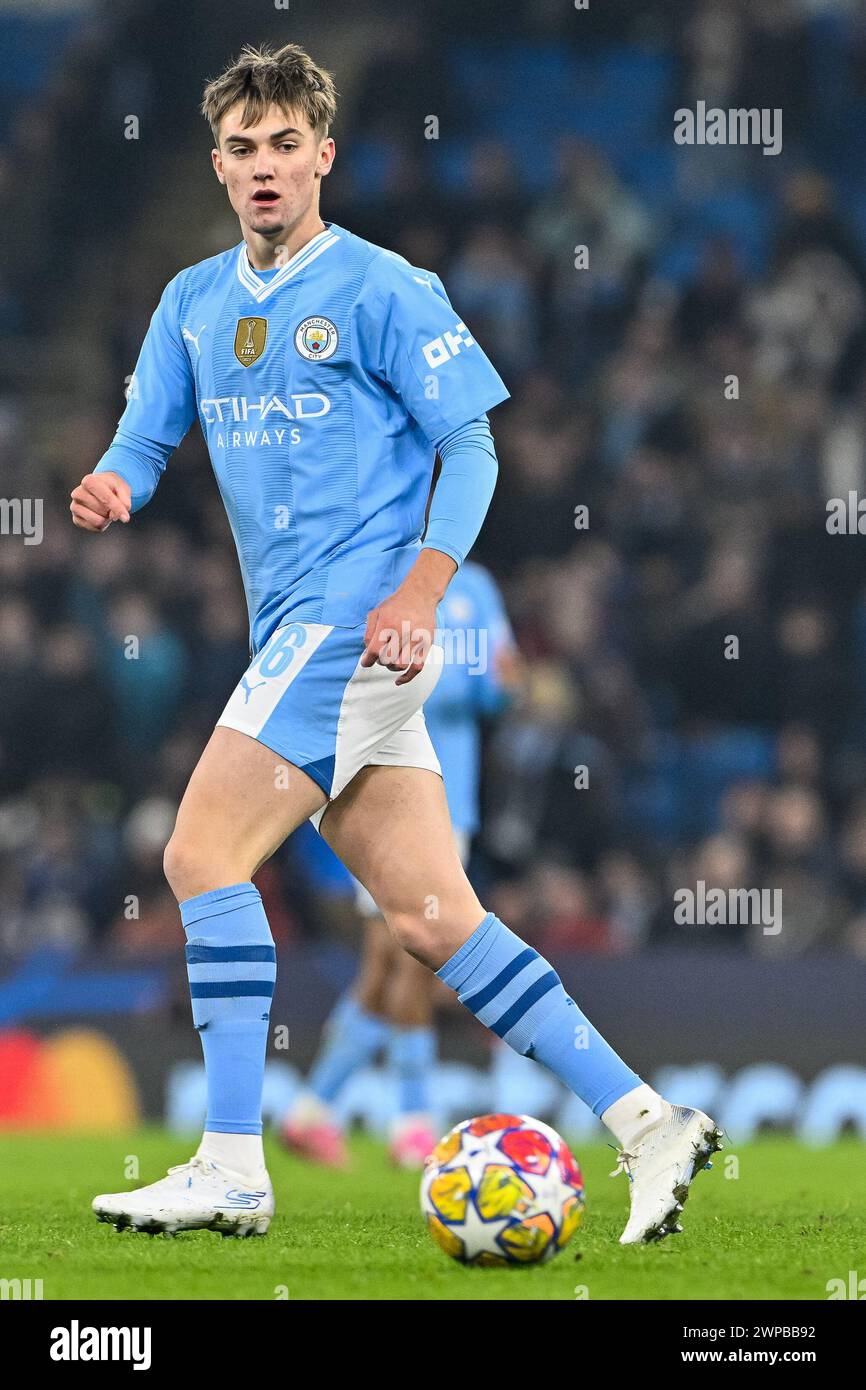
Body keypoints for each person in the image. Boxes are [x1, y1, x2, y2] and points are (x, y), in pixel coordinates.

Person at [71, 43, 720, 1246]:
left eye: (284, 146)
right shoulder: (191, 305)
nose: (264, 167)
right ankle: (646, 1120)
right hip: (305, 631)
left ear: (322, 155)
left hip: (357, 616)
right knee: (433, 920)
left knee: (201, 855)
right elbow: (144, 440)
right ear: (216, 167)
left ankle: (229, 1162)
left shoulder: (383, 287)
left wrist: (421, 588)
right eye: (242, 149)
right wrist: (113, 484)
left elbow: (470, 447)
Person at [281, 560, 519, 1169]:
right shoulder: (375, 570)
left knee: (389, 958)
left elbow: (501, 684)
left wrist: (484, 681)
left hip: (452, 797)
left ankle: (312, 1112)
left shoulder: (475, 586)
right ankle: (411, 1123)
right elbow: (372, 680)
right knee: (412, 952)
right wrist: (453, 676)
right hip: (386, 794)